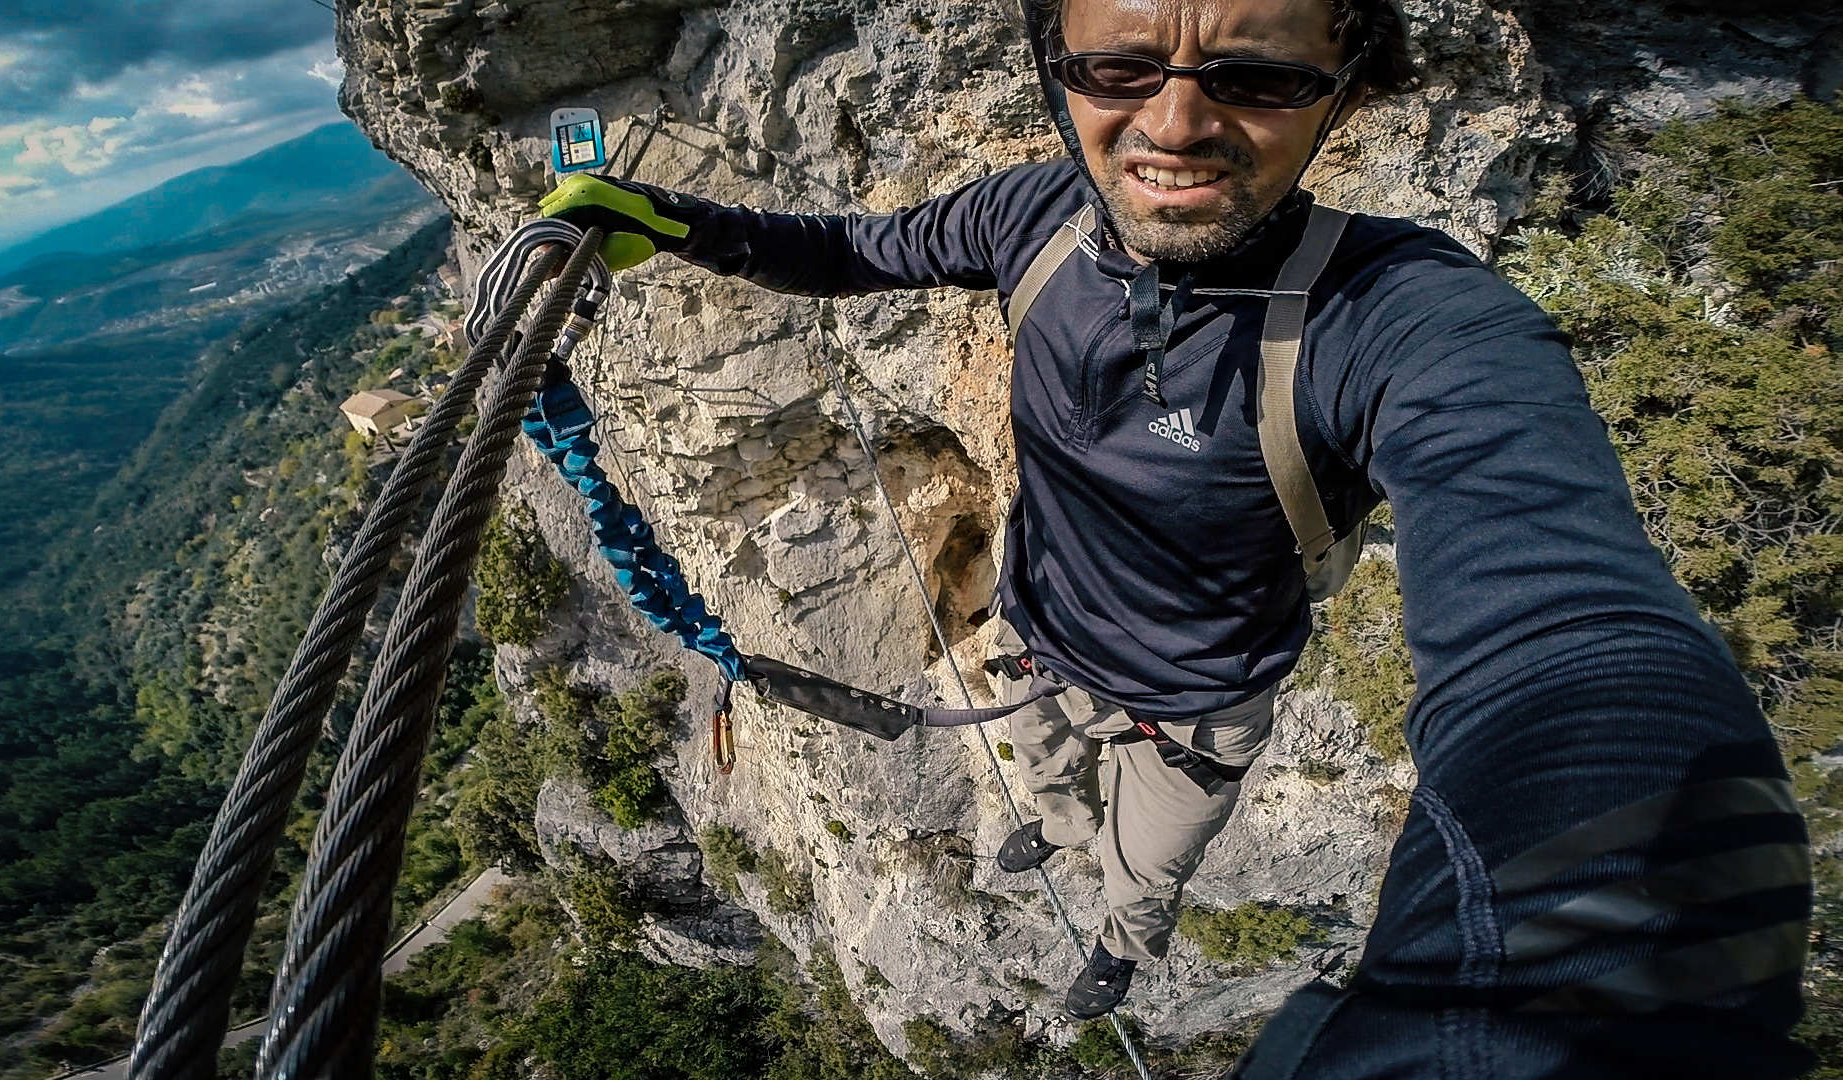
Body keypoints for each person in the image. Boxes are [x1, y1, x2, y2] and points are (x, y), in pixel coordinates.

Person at [537, 0, 1815, 1073]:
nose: (1177, 121)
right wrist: (686, 226)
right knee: (1035, 781)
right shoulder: (1033, 220)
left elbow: (1576, 642)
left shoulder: (1406, 320)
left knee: (1139, 868)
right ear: (1061, 73)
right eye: (1120, 66)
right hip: (1034, 640)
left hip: (1191, 712)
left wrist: (1556, 1006)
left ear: (1344, 89)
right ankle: (1057, 831)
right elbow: (859, 250)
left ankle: (1121, 943)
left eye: (1256, 73)